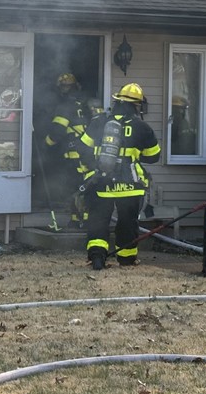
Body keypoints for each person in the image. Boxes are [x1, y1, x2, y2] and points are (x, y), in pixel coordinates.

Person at [78, 83, 161, 270]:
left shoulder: (99, 122)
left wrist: (92, 168)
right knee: (127, 222)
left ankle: (97, 258)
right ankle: (127, 259)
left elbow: (82, 148)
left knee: (98, 220)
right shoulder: (142, 127)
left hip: (101, 181)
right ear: (136, 106)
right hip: (130, 185)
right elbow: (153, 156)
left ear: (117, 101)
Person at [44, 73, 89, 227]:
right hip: (92, 155)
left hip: (74, 156)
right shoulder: (86, 104)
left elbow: (57, 132)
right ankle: (86, 220)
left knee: (75, 188)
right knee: (87, 187)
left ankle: (77, 222)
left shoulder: (65, 107)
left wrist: (46, 143)